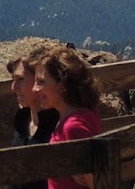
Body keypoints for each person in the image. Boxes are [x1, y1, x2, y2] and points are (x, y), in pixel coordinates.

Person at [32, 44, 103, 189]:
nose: (35, 89)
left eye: (41, 82)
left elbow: (98, 184)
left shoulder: (72, 129)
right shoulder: (86, 112)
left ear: (61, 84)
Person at [7, 47, 59, 189]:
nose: (14, 87)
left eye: (20, 80)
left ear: (38, 79)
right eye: (13, 80)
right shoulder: (22, 119)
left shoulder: (58, 126)